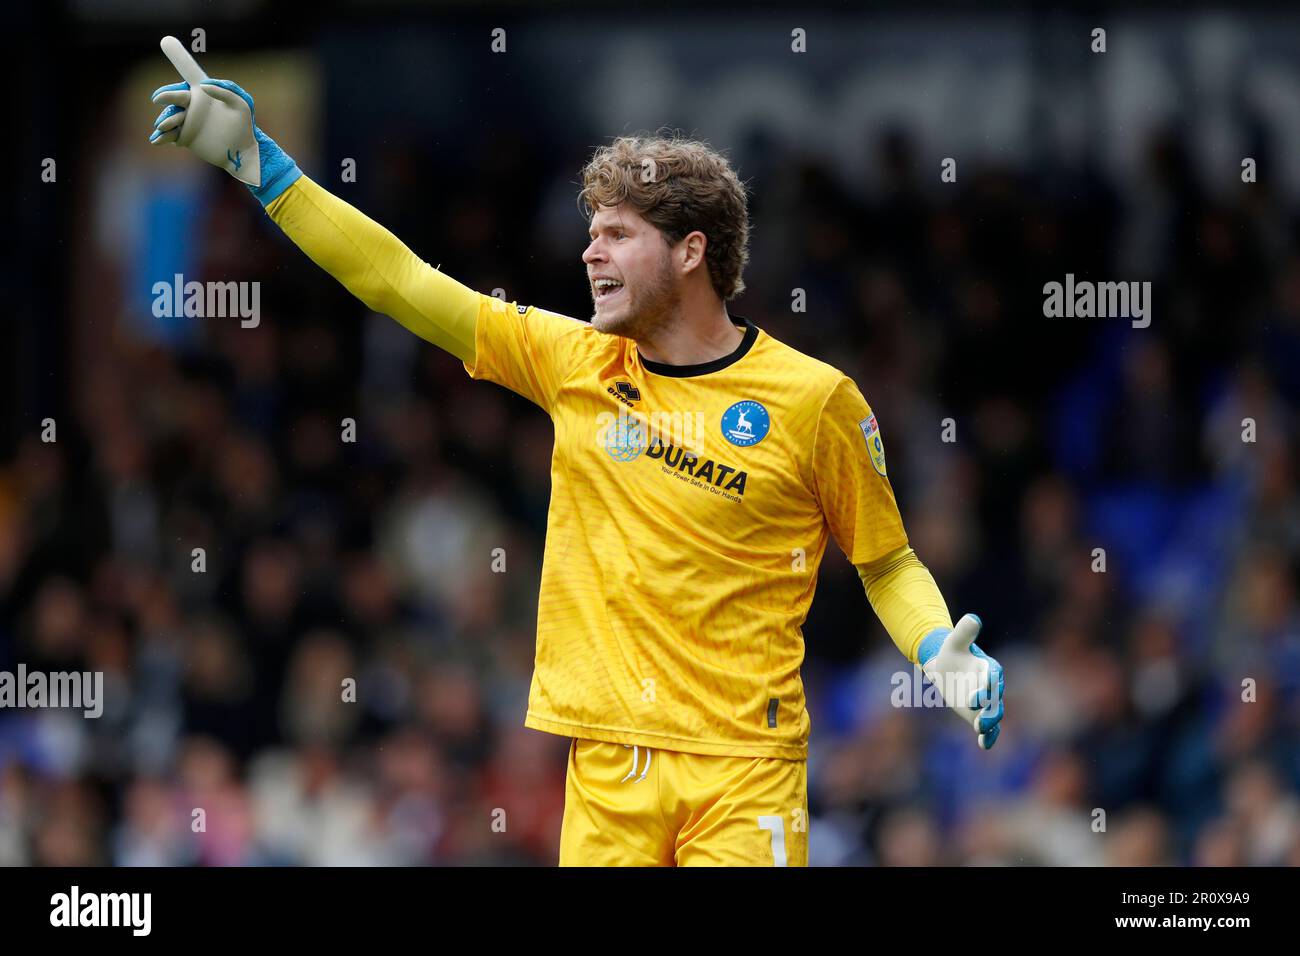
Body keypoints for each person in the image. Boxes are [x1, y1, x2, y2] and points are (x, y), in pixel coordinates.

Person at [148, 48, 1005, 867]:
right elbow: (400, 283)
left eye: (617, 234)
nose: (589, 252)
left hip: (743, 767)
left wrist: (939, 651)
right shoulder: (575, 364)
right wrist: (264, 170)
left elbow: (885, 560)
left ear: (691, 250)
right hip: (606, 769)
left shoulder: (816, 401)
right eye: (590, 233)